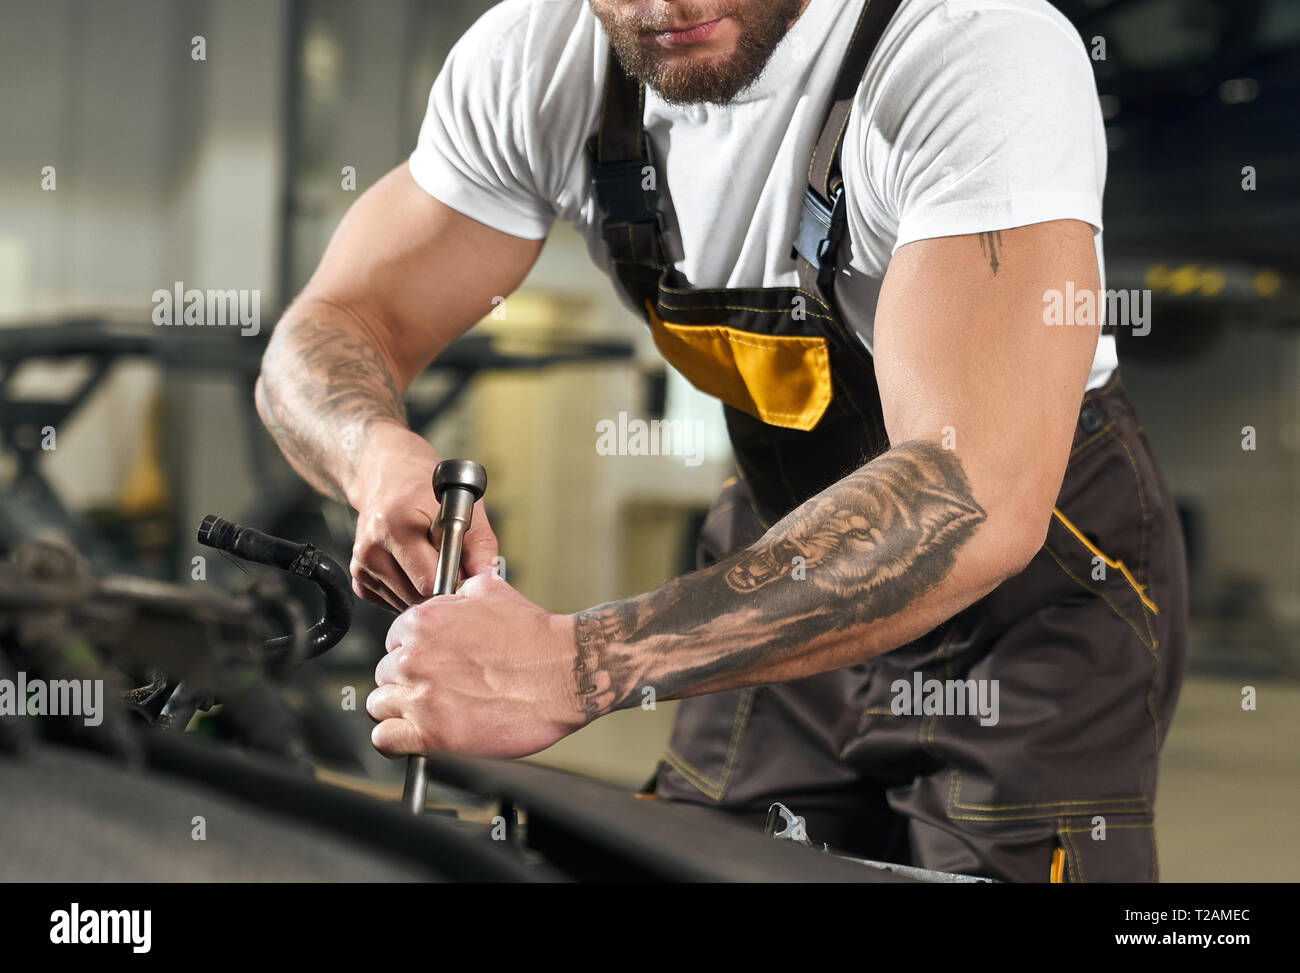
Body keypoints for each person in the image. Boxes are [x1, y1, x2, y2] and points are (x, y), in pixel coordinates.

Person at [255, 0, 1187, 882]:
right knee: (699, 858)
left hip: (1034, 589)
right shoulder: (537, 60)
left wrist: (578, 664)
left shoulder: (975, 49)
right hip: (782, 538)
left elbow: (967, 490)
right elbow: (330, 327)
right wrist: (371, 451)